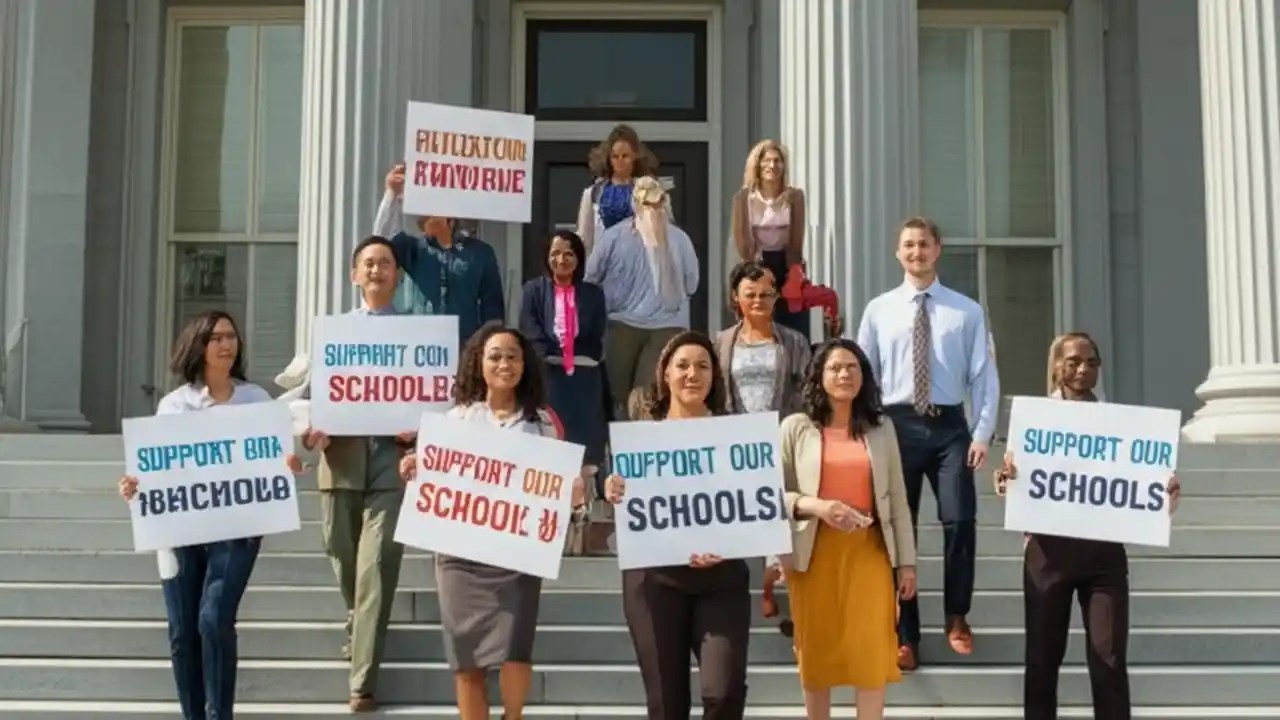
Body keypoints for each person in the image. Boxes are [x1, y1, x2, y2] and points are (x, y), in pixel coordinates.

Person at [117, 310, 303, 720]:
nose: (227, 344)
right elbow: (156, 470)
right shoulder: (175, 405)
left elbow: (275, 458)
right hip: (179, 532)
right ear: (199, 345)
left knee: (214, 618)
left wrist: (286, 466)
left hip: (238, 529)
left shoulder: (256, 400)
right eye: (217, 337)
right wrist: (135, 486)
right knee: (183, 631)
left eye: (232, 337)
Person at [400, 322, 587, 720]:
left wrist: (572, 495)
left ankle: (513, 715)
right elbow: (435, 477)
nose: (504, 364)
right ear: (478, 363)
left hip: (516, 557)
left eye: (513, 356)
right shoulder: (455, 419)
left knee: (516, 648)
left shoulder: (542, 423)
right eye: (495, 356)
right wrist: (416, 465)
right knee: (465, 656)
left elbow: (557, 489)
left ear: (525, 365)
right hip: (460, 559)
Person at [994, 332, 1181, 720]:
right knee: (1042, 662)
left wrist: (1165, 493)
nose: (1083, 369)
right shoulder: (1034, 420)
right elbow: (1013, 482)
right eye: (1074, 361)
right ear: (1057, 365)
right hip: (1048, 553)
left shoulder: (1125, 426)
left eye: (1091, 362)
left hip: (1103, 557)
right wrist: (1006, 480)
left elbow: (1143, 486)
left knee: (1108, 659)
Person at [855, 216, 999, 670]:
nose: (916, 252)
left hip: (950, 427)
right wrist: (863, 428)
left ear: (938, 249)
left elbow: (984, 377)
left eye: (924, 244)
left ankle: (957, 616)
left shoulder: (967, 311)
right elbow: (863, 372)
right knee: (901, 529)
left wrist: (982, 432)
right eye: (908, 246)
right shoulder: (879, 310)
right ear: (898, 253)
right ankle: (905, 633)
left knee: (960, 519)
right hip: (895, 425)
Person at [603, 332, 750, 719]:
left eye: (703, 366)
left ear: (715, 378)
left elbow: (753, 505)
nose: (692, 374)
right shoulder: (640, 441)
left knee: (723, 693)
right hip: (654, 580)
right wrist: (613, 488)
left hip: (721, 577)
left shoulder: (737, 439)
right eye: (682, 365)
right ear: (664, 374)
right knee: (667, 705)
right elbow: (627, 504)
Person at [297, 236, 411, 712]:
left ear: (397, 276)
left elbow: (434, 399)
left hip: (391, 463)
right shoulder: (331, 333)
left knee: (377, 568)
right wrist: (308, 430)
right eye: (368, 263)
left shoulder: (416, 335)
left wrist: (420, 429)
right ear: (353, 274)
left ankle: (362, 679)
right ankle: (357, 616)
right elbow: (307, 393)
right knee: (340, 553)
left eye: (385, 263)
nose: (376, 270)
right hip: (340, 459)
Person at [776, 338, 916, 720]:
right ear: (818, 376)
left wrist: (907, 563)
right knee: (817, 655)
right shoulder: (795, 428)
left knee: (870, 652)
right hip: (812, 554)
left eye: (853, 367)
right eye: (835, 367)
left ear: (864, 377)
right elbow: (774, 496)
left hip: (869, 551)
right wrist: (817, 506)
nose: (844, 374)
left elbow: (898, 499)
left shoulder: (881, 428)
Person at [519, 230, 611, 553]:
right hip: (549, 379)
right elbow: (529, 328)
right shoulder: (532, 290)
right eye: (556, 253)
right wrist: (552, 353)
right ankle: (549, 527)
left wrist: (572, 350)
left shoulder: (593, 294)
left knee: (583, 454)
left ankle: (580, 529)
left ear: (579, 259)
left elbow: (595, 333)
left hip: (583, 381)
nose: (562, 259)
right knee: (551, 450)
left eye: (569, 253)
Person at [585, 176, 700, 417]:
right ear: (636, 204)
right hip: (622, 323)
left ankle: (640, 449)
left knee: (647, 396)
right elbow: (591, 276)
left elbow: (692, 284)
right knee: (618, 396)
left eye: (658, 204)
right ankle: (614, 449)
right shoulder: (614, 237)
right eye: (648, 204)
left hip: (666, 325)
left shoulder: (679, 240)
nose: (653, 210)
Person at [375, 163, 505, 343]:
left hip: (464, 352)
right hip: (422, 352)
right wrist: (391, 194)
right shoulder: (414, 249)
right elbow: (381, 242)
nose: (419, 216)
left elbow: (493, 312)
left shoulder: (480, 254)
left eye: (427, 210)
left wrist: (482, 349)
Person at [714, 260, 811, 418]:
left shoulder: (795, 342)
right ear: (735, 296)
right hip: (732, 435)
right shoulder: (721, 343)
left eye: (765, 295)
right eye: (750, 295)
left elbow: (807, 391)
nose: (758, 301)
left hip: (781, 433)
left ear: (776, 296)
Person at [730, 139, 808, 335]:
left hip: (786, 263)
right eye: (767, 161)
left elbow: (797, 239)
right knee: (759, 319)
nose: (772, 166)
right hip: (756, 262)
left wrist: (794, 270)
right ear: (757, 165)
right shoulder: (744, 198)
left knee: (792, 323)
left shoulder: (795, 197)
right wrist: (750, 269)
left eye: (777, 161)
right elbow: (740, 239)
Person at [576, 123, 659, 256]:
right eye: (615, 156)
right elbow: (584, 238)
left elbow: (661, 231)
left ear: (634, 157)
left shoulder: (648, 189)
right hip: (605, 265)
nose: (620, 161)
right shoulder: (594, 193)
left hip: (639, 264)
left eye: (625, 156)